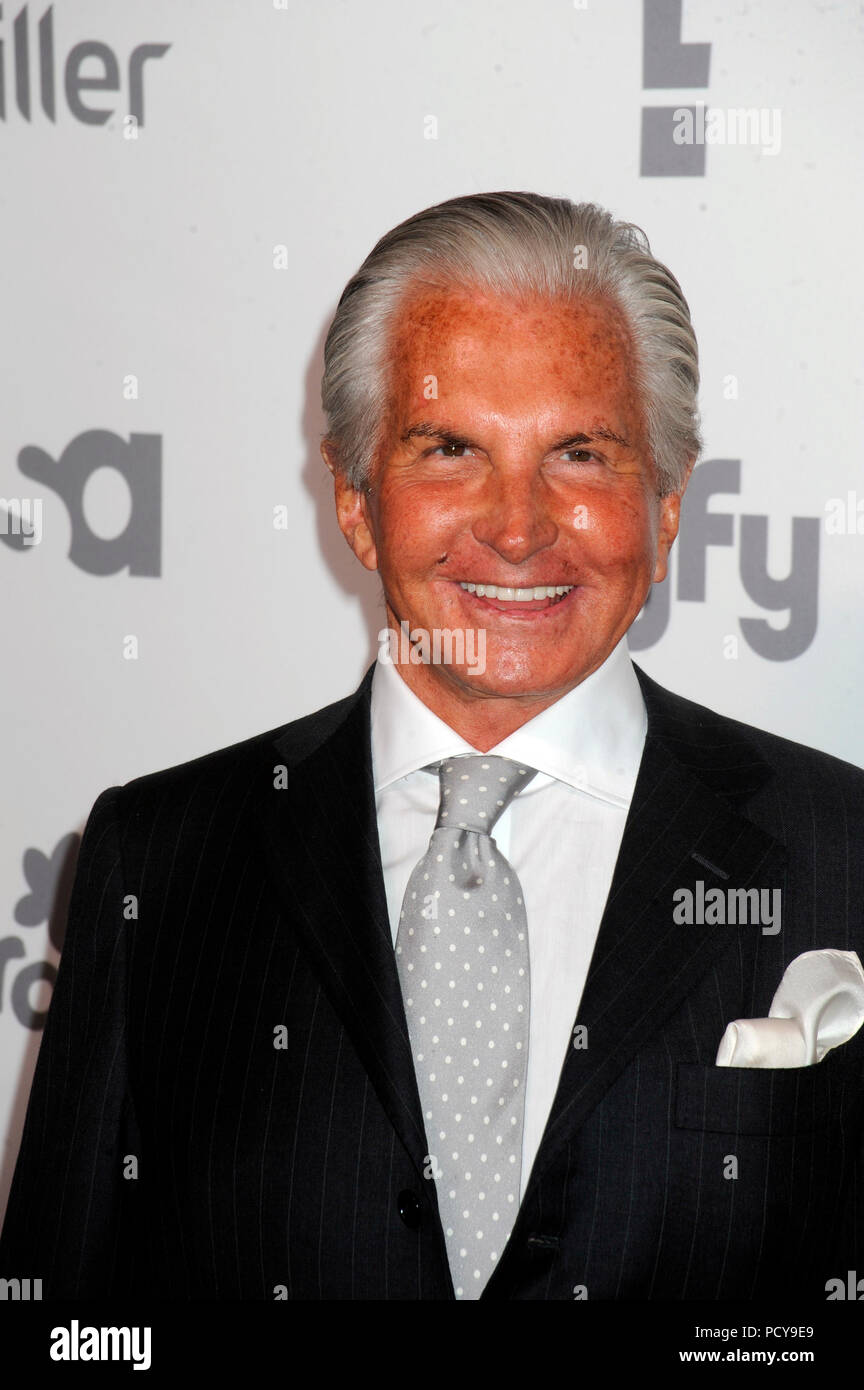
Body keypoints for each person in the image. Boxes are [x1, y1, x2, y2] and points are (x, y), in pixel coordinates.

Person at [2, 191, 862, 1301]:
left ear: (665, 510)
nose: (517, 525)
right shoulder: (157, 863)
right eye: (451, 448)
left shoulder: (843, 854)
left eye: (582, 453)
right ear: (357, 502)